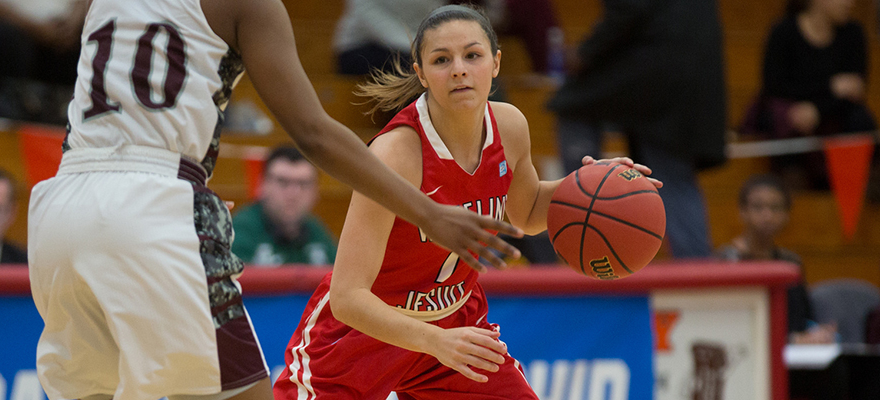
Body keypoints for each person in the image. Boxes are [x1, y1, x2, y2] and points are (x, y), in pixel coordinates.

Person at [27, 0, 525, 399]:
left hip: (59, 202)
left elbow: (65, 29)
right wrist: (428, 214)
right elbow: (313, 133)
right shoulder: (251, 7)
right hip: (150, 199)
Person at [272, 6, 659, 399]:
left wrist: (589, 187)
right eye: (442, 60)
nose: (459, 69)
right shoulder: (396, 153)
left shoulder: (509, 126)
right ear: (420, 72)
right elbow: (348, 298)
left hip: (455, 323)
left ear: (495, 63)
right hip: (362, 336)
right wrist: (434, 341)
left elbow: (525, 213)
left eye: (472, 55)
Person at [547, 0, 726, 259]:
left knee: (572, 107)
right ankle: (698, 276)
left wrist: (584, 53)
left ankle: (584, 205)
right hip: (684, 73)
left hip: (659, 69)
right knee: (673, 175)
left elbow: (627, 12)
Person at [740, 0, 876, 191]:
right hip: (793, 111)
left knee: (860, 120)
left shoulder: (854, 33)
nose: (851, 3)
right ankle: (790, 188)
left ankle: (851, 191)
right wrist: (830, 86)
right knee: (782, 116)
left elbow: (854, 90)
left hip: (835, 113)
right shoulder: (783, 31)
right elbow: (774, 86)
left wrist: (817, 109)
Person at [715, 175, 835, 344]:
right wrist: (794, 340)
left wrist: (818, 333)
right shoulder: (727, 262)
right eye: (758, 207)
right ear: (742, 212)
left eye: (775, 208)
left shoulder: (790, 264)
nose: (767, 215)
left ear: (787, 214)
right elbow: (730, 327)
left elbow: (801, 321)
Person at [231, 145, 337, 267]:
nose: (293, 194)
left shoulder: (318, 233)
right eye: (283, 182)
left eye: (303, 184)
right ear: (262, 184)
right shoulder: (238, 232)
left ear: (316, 191)